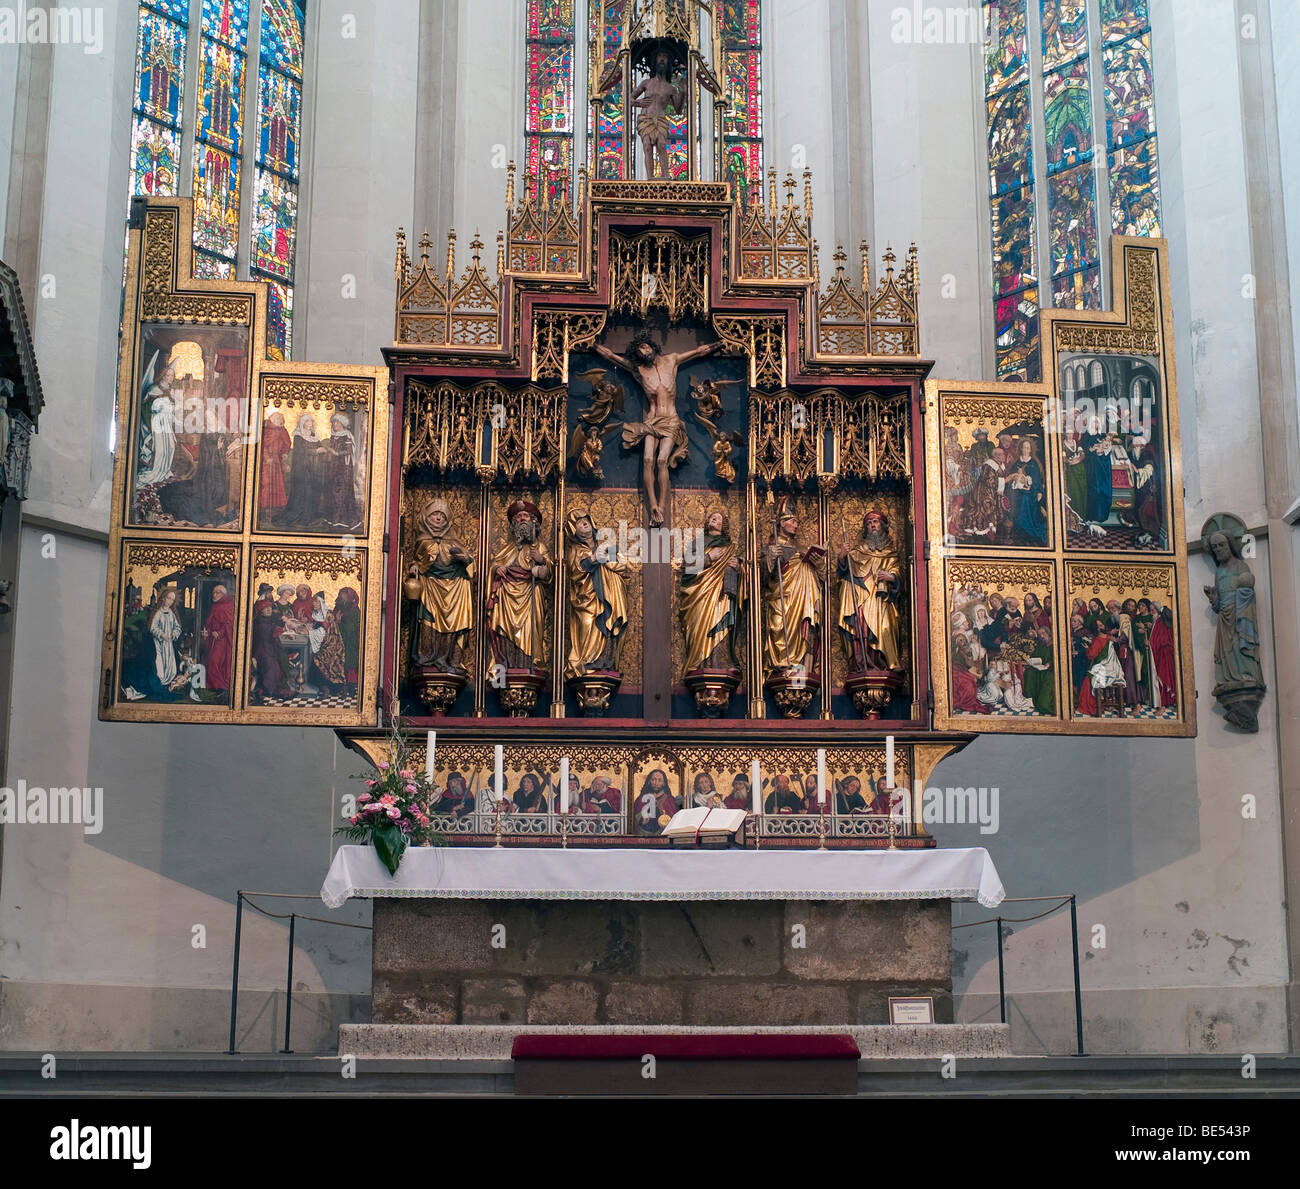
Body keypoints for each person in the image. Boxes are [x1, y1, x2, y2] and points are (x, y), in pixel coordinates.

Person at [594, 332, 722, 525]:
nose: (644, 351)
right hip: (652, 420)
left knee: (662, 461)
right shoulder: (639, 370)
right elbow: (613, 357)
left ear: (653, 346)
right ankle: (652, 504)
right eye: (640, 350)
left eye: (646, 347)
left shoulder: (672, 360)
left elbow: (697, 352)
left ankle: (661, 505)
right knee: (647, 459)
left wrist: (718, 344)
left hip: (671, 419)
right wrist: (592, 345)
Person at [406, 498, 474, 673]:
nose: (438, 519)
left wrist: (464, 558)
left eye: (442, 516)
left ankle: (449, 660)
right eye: (434, 515)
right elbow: (419, 561)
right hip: (430, 588)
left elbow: (470, 565)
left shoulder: (455, 542)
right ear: (426, 518)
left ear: (448, 520)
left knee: (453, 625)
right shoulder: (422, 541)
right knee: (428, 623)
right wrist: (414, 567)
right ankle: (428, 659)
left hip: (455, 589)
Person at [761, 496, 824, 679]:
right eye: (793, 521)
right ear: (782, 523)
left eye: (797, 522)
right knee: (780, 626)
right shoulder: (772, 546)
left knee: (803, 630)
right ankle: (781, 667)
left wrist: (818, 564)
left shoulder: (801, 548)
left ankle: (801, 669)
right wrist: (771, 558)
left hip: (803, 600)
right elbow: (761, 578)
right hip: (783, 597)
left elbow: (822, 579)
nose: (796, 525)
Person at [487, 500, 553, 672]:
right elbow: (494, 567)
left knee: (531, 630)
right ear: (513, 524)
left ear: (533, 522)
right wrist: (497, 569)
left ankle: (530, 665)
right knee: (506, 630)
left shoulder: (539, 547)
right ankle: (507, 666)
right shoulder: (508, 549)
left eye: (526, 516)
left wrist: (542, 561)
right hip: (508, 597)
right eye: (518, 517)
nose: (522, 519)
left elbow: (550, 575)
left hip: (531, 594)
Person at [563, 508, 629, 679]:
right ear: (573, 529)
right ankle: (587, 663)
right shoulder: (575, 550)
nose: (584, 523)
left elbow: (623, 567)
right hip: (587, 599)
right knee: (588, 626)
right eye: (578, 522)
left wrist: (609, 559)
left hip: (609, 596)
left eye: (585, 519)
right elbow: (574, 570)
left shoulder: (605, 546)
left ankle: (606, 662)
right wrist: (593, 559)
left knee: (608, 626)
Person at [837, 507, 904, 672]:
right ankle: (861, 663)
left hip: (881, 599)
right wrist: (843, 556)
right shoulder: (858, 552)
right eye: (869, 523)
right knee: (861, 627)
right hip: (861, 596)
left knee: (886, 626)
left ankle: (887, 663)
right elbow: (845, 573)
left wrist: (891, 577)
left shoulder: (890, 553)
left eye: (875, 522)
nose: (872, 525)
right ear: (865, 529)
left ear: (882, 526)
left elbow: (897, 573)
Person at [680, 509, 746, 672]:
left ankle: (722, 662)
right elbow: (687, 566)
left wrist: (738, 568)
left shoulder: (730, 547)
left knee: (720, 621)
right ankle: (700, 662)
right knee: (701, 623)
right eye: (711, 517)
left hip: (722, 594)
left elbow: (743, 573)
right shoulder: (698, 543)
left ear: (723, 526)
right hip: (700, 592)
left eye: (718, 519)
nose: (713, 520)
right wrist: (710, 558)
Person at [250, 600, 289, 701]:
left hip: (270, 649)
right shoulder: (259, 622)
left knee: (280, 664)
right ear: (260, 611)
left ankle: (273, 688)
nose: (268, 610)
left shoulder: (269, 619)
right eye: (265, 608)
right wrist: (281, 629)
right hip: (262, 651)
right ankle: (267, 690)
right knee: (272, 668)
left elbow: (275, 623)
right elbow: (267, 634)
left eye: (269, 608)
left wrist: (281, 621)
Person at [146, 588, 182, 696]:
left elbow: (177, 627)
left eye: (172, 600)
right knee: (159, 665)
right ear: (163, 598)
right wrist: (162, 635)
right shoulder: (158, 613)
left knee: (172, 668)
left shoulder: (171, 613)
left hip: (169, 644)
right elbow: (152, 627)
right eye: (168, 598)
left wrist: (174, 633)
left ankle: (168, 683)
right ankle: (160, 684)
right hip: (158, 643)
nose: (170, 601)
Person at [201, 584, 235, 695]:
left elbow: (230, 624)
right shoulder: (215, 606)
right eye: (214, 592)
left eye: (217, 592)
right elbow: (211, 622)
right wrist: (207, 632)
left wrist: (220, 633)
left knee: (215, 661)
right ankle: (215, 686)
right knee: (211, 661)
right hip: (213, 639)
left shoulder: (229, 605)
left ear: (224, 594)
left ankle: (221, 686)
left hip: (224, 641)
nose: (214, 595)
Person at [259, 409, 292, 520]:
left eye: (281, 419)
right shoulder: (266, 429)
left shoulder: (283, 430)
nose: (279, 420)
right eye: (277, 418)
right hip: (265, 462)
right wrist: (267, 457)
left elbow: (286, 444)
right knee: (266, 485)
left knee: (277, 485)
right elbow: (262, 445)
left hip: (277, 461)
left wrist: (284, 454)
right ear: (272, 419)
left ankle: (274, 510)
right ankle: (263, 509)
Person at [635, 768, 678, 834]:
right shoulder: (641, 799)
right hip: (643, 835)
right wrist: (642, 819)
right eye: (653, 780)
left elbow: (674, 819)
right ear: (649, 782)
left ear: (664, 783)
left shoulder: (670, 800)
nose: (656, 783)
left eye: (659, 780)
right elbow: (634, 818)